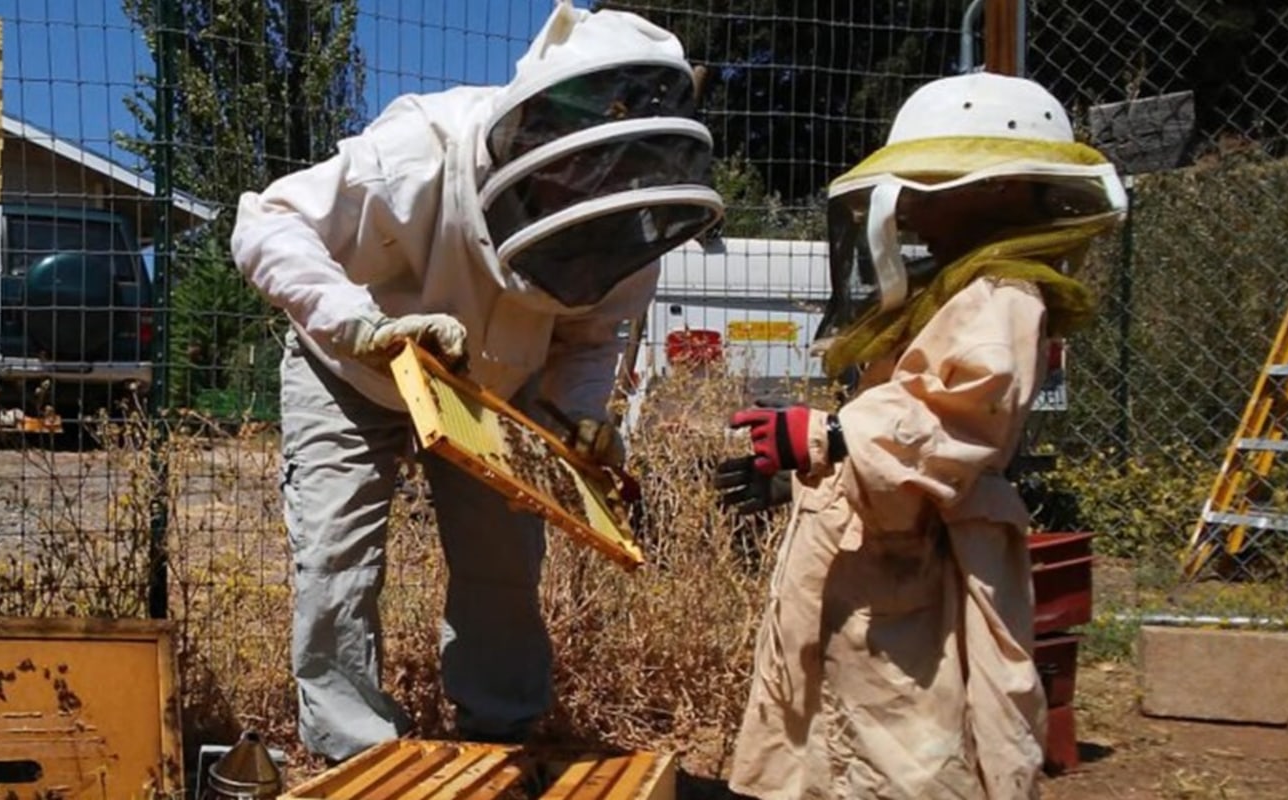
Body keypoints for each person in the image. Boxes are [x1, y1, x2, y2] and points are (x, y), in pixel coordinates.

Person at [229, 0, 725, 763]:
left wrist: (577, 415)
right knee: (335, 555)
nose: (587, 183)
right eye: (579, 167)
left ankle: (503, 732)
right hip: (351, 369)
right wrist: (359, 325)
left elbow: (594, 333)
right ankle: (353, 753)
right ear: (544, 130)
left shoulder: (628, 219)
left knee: (503, 560)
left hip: (494, 388)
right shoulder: (415, 153)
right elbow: (266, 222)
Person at [712, 71, 1127, 799]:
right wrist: (800, 467)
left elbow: (952, 417)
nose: (913, 204)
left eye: (932, 183)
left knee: (910, 744)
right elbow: (904, 410)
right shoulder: (966, 292)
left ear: (994, 188)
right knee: (848, 722)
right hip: (886, 547)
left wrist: (828, 437)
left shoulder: (1004, 298)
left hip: (928, 564)